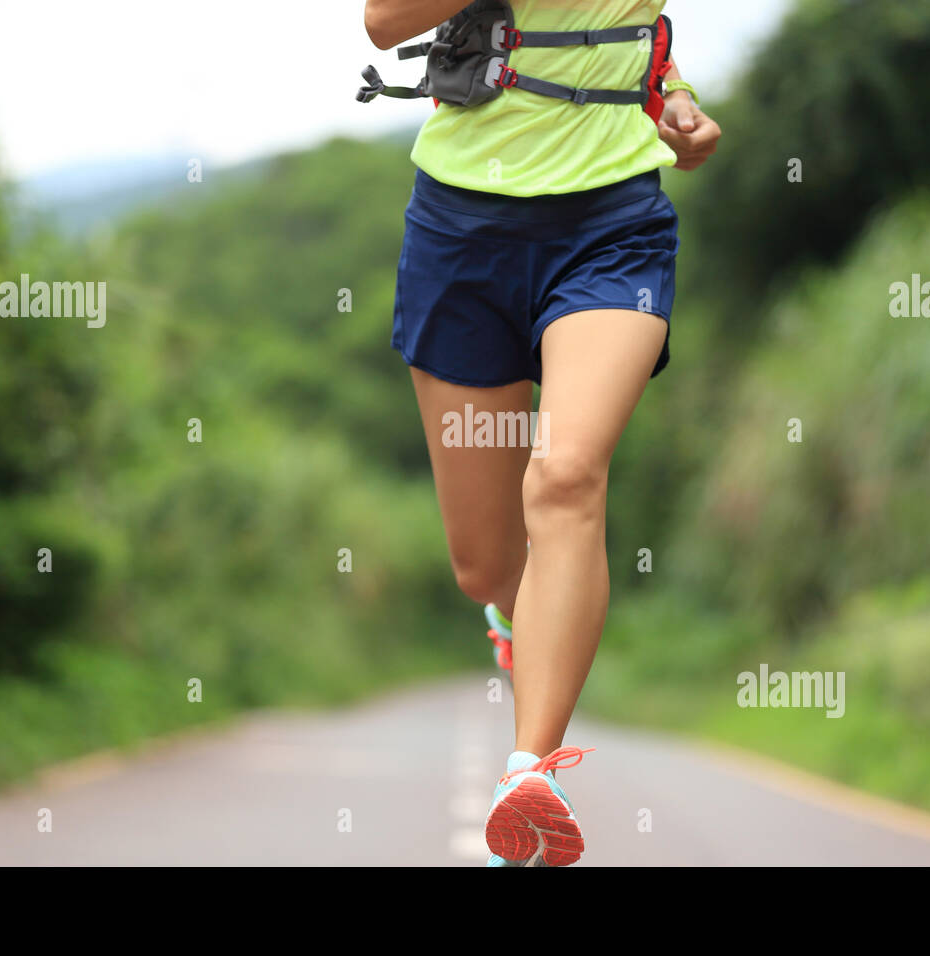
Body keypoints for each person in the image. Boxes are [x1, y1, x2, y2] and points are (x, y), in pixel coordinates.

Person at [363, 0, 720, 866]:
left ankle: (531, 779)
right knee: (485, 562)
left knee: (564, 476)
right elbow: (383, 21)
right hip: (462, 229)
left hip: (611, 231)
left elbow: (632, 23)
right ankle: (513, 613)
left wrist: (672, 94)